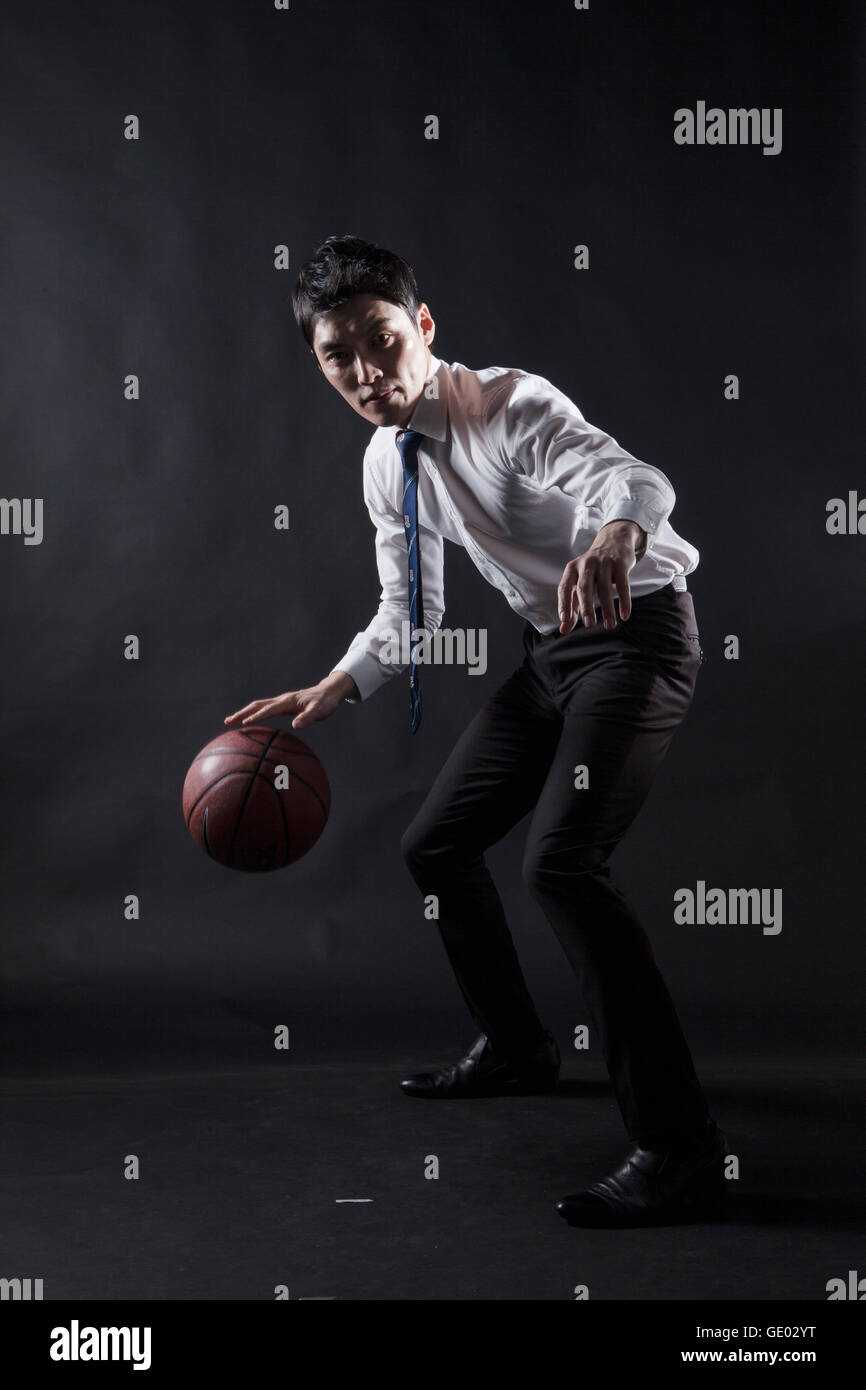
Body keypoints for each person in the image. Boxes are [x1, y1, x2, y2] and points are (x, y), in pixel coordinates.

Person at [225, 234, 728, 1228]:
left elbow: (631, 480)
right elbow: (410, 612)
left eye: (381, 341)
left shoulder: (510, 405)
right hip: (553, 653)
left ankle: (680, 1147)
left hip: (636, 638)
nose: (367, 374)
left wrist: (618, 532)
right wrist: (337, 683)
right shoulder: (383, 463)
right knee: (435, 842)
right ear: (319, 365)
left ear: (421, 326)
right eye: (339, 358)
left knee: (561, 866)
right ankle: (515, 1047)